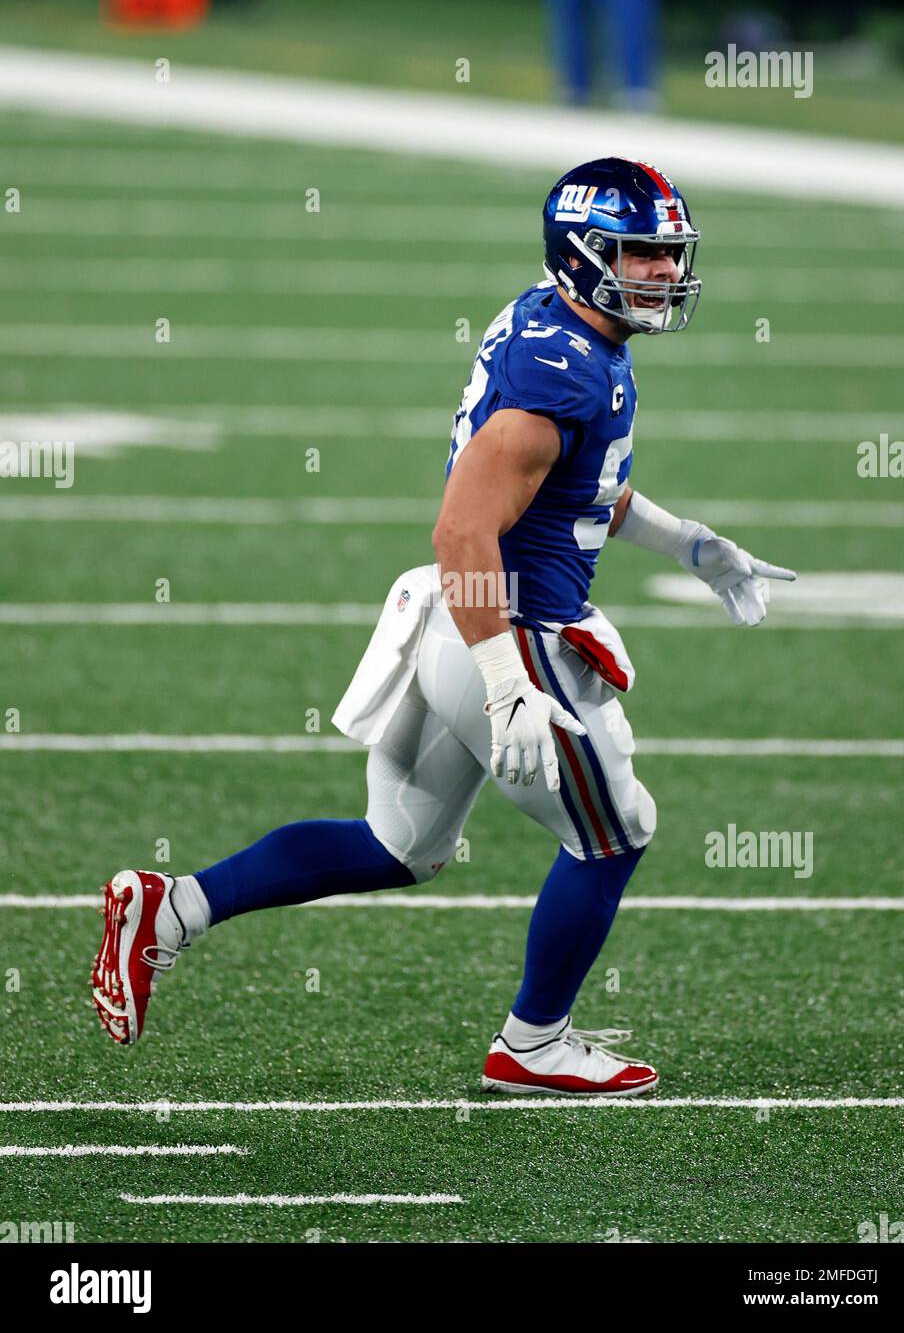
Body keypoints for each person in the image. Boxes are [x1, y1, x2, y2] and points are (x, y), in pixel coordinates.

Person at [91, 157, 795, 1097]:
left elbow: (574, 488)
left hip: (453, 615)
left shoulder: (564, 329)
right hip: (508, 631)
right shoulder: (566, 374)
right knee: (617, 834)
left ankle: (170, 911)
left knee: (398, 846)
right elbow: (466, 525)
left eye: (670, 256)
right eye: (641, 255)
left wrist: (694, 546)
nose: (664, 275)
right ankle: (534, 1044)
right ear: (584, 255)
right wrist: (510, 688)